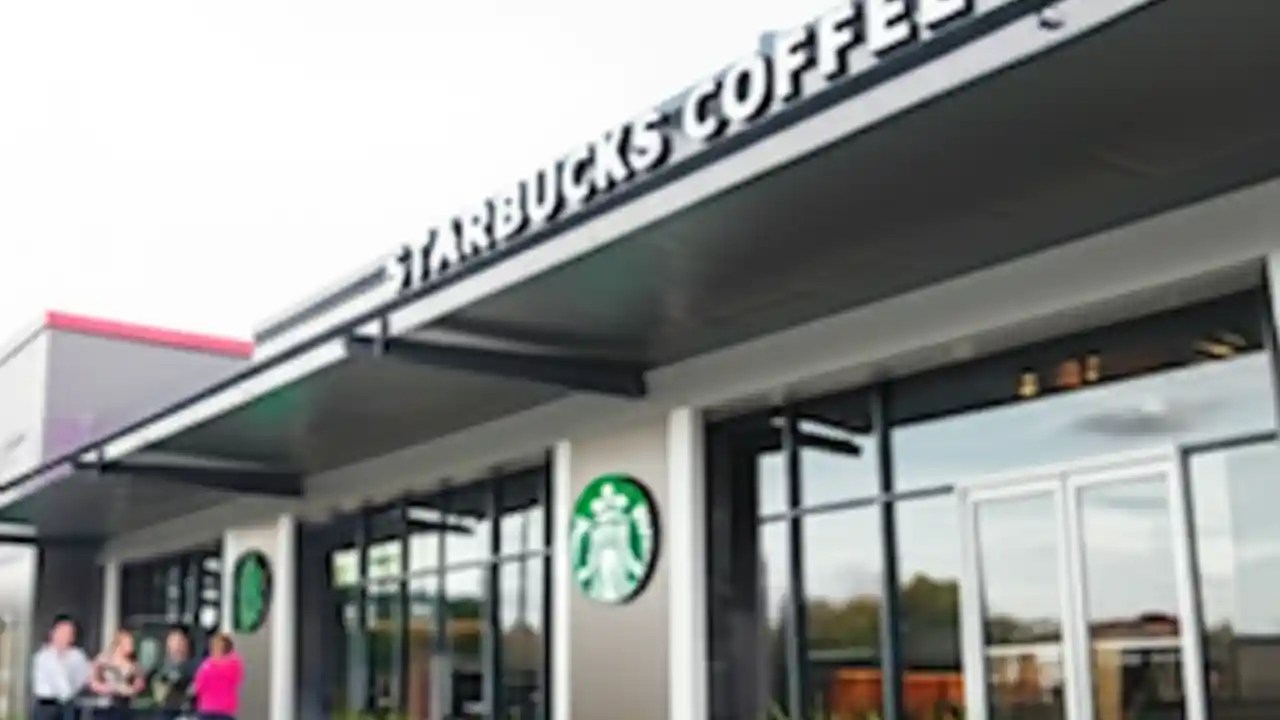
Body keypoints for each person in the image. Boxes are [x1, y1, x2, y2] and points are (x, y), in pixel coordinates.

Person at [32, 616, 92, 720]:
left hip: (69, 704)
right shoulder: (44, 656)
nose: (65, 636)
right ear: (53, 633)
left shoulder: (77, 655)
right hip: (47, 705)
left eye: (69, 632)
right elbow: (57, 679)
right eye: (62, 631)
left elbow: (84, 677)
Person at [90, 629, 145, 720]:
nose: (131, 646)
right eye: (128, 643)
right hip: (104, 707)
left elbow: (139, 684)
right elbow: (93, 682)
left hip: (125, 707)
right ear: (120, 644)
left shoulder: (135, 665)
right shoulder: (103, 662)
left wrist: (131, 690)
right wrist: (108, 688)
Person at [149, 627, 199, 719]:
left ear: (187, 644)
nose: (177, 646)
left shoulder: (198, 670)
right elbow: (159, 697)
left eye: (181, 641)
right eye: (174, 642)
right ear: (167, 645)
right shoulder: (159, 671)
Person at [192, 633, 243, 720]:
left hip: (208, 709)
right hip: (224, 710)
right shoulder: (235, 663)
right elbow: (237, 680)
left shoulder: (206, 665)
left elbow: (198, 686)